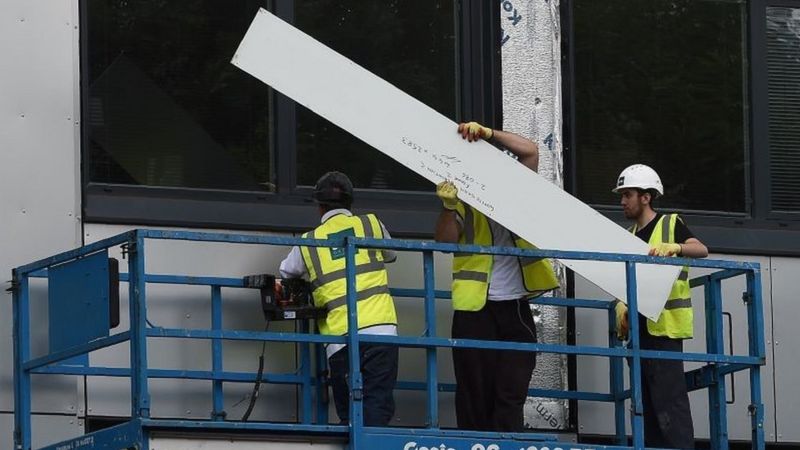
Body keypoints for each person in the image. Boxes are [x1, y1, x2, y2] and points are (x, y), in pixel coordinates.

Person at [434, 122, 560, 432]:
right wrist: (449, 208)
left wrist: (487, 133)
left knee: (511, 390)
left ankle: (506, 442)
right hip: (476, 309)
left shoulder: (518, 193)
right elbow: (444, 242)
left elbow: (530, 150)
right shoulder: (467, 200)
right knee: (474, 391)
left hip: (514, 308)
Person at [279, 171, 399, 426]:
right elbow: (390, 254)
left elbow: (286, 272)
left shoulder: (309, 241)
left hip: (340, 337)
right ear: (350, 203)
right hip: (381, 330)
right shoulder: (371, 224)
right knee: (377, 404)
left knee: (350, 413)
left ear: (319, 207)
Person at [612, 164, 708, 449]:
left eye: (627, 194)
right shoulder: (628, 235)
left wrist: (675, 247)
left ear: (646, 197)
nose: (622, 201)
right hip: (638, 332)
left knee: (669, 402)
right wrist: (621, 309)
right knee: (645, 405)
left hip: (664, 332)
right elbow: (622, 281)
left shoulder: (670, 224)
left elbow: (701, 249)